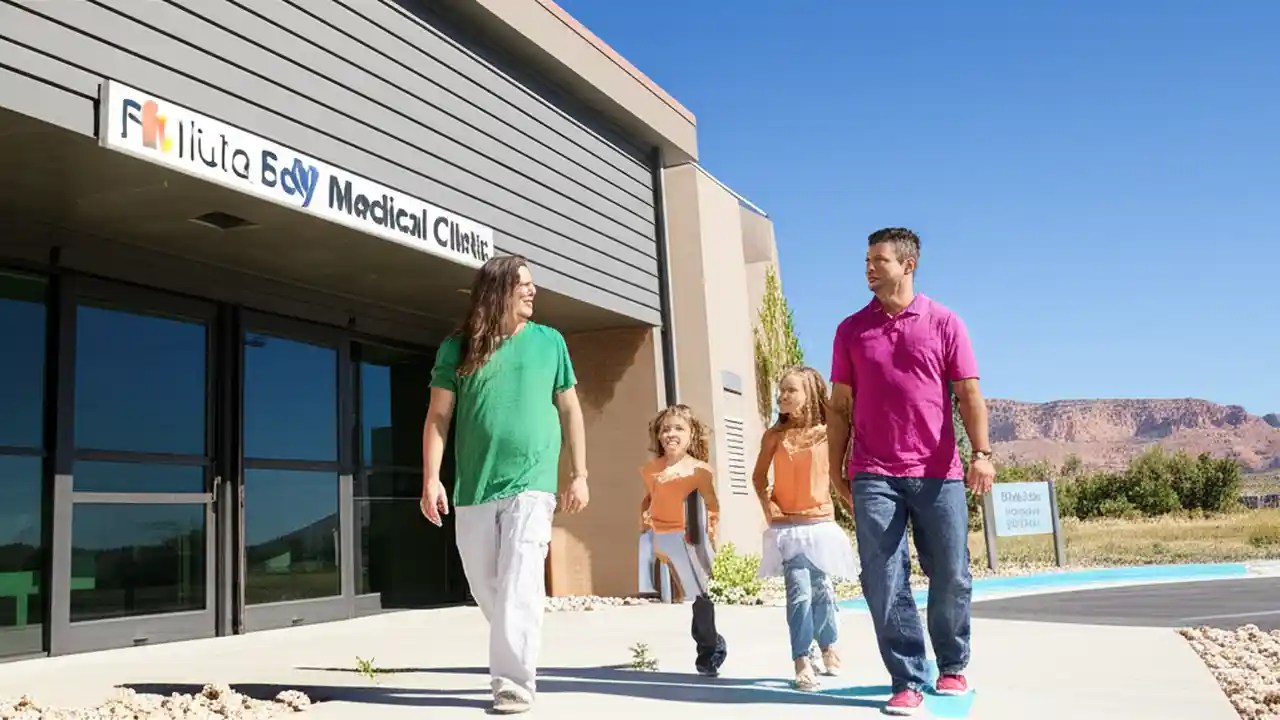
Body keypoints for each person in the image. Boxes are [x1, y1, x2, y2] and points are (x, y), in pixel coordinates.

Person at [826, 227, 996, 716]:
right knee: (882, 577)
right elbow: (840, 407)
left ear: (908, 264)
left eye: (879, 260)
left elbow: (968, 394)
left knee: (951, 573)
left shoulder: (945, 322)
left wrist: (982, 454)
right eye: (866, 260)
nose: (869, 268)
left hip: (938, 471)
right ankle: (907, 677)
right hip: (873, 471)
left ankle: (952, 663)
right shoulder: (850, 330)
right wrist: (836, 467)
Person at [420, 254, 590, 715]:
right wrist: (431, 478)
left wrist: (579, 474)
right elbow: (439, 416)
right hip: (474, 485)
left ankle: (512, 681)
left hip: (533, 482)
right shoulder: (457, 348)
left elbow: (571, 409)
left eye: (533, 284)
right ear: (497, 292)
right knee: (485, 583)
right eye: (524, 285)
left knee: (520, 582)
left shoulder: (549, 342)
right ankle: (518, 637)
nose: (533, 292)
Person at [752, 366, 860, 691]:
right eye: (780, 390)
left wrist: (857, 508)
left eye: (790, 390)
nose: (782, 396)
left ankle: (828, 644)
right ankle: (802, 658)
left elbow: (839, 477)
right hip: (788, 527)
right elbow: (758, 479)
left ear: (809, 394)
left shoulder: (829, 432)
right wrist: (769, 508)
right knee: (799, 593)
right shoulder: (774, 436)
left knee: (822, 591)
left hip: (821, 524)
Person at [637, 404, 728, 677]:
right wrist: (646, 526)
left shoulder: (699, 471)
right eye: (665, 429)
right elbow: (650, 500)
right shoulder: (651, 471)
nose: (670, 433)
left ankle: (709, 650)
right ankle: (709, 642)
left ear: (691, 435)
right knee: (681, 594)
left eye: (679, 428)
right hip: (662, 537)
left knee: (700, 598)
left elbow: (711, 505)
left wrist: (709, 536)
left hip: (692, 540)